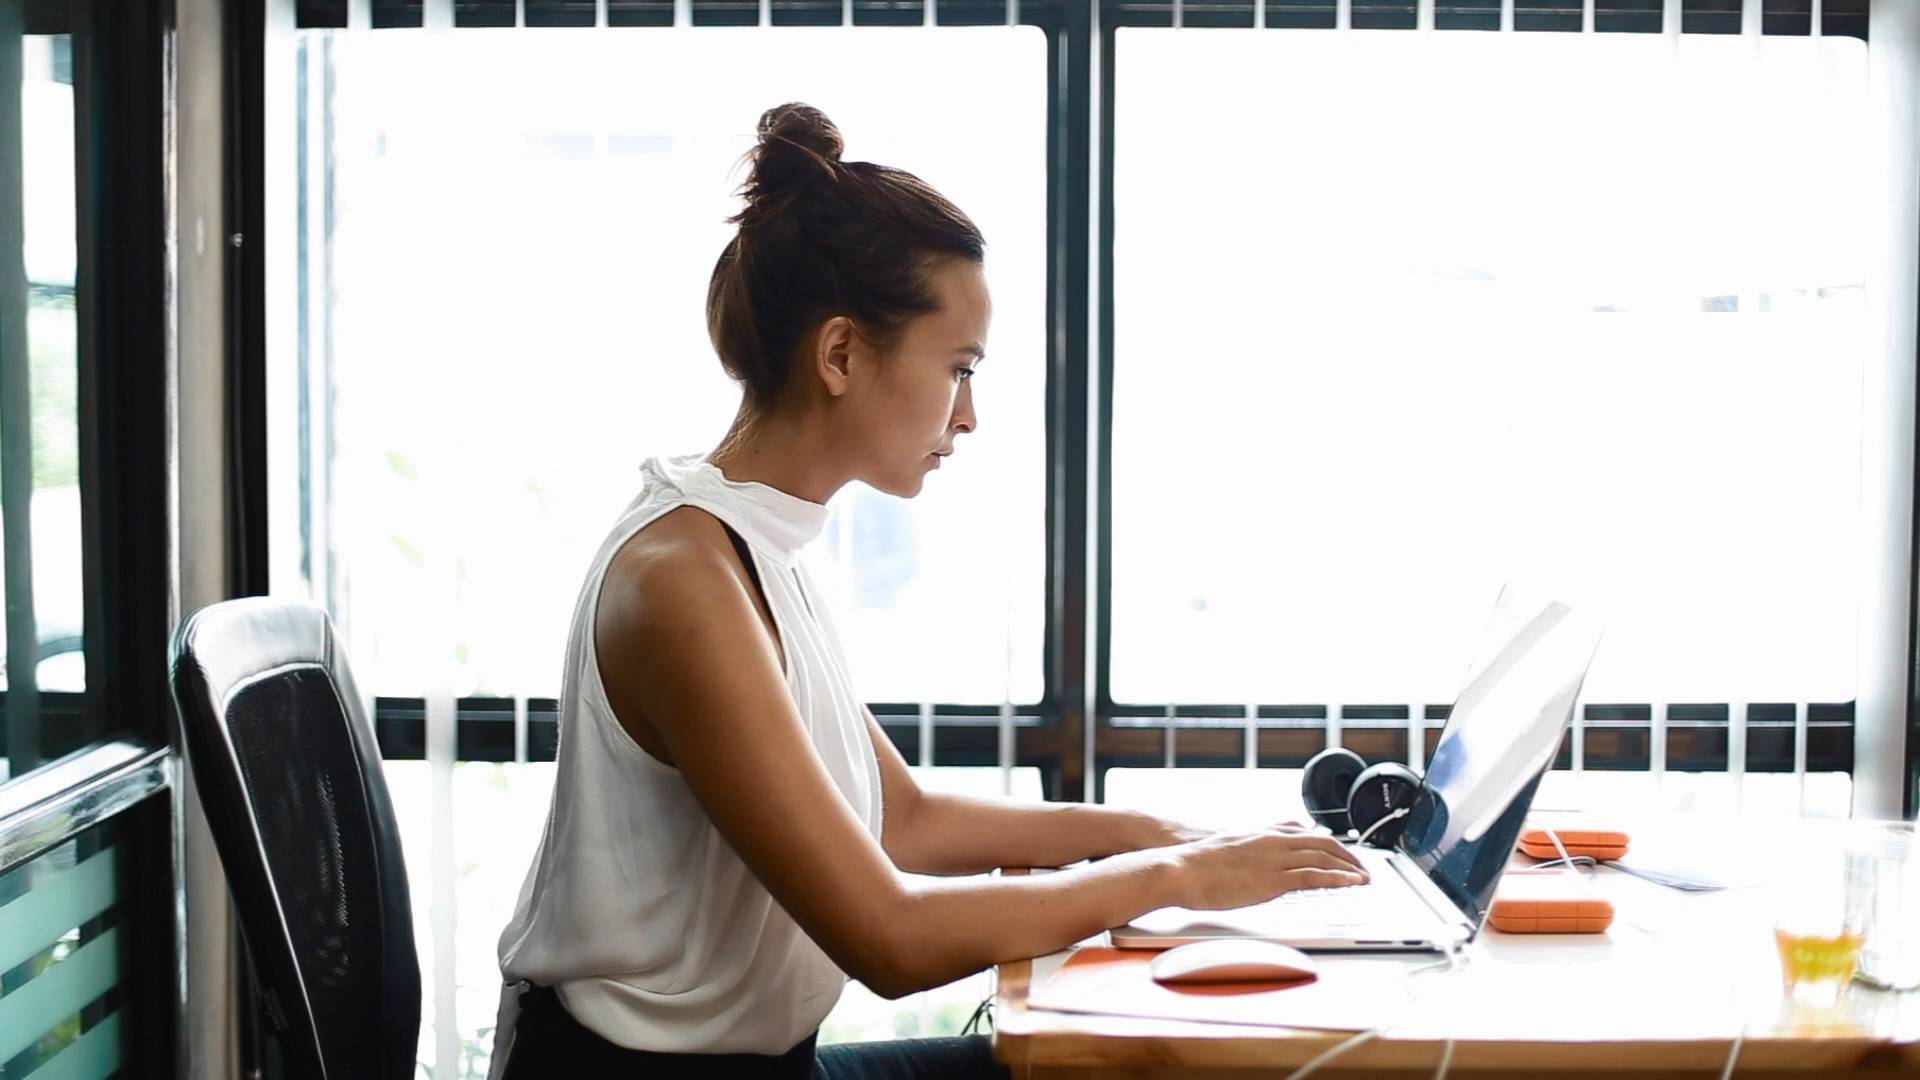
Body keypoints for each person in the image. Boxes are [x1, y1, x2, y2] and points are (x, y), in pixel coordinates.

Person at [489, 102, 1367, 1080]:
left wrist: (1165, 835)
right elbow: (890, 940)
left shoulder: (752, 548)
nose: (972, 414)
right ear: (839, 355)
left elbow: (903, 822)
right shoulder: (683, 585)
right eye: (958, 370)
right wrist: (1172, 876)